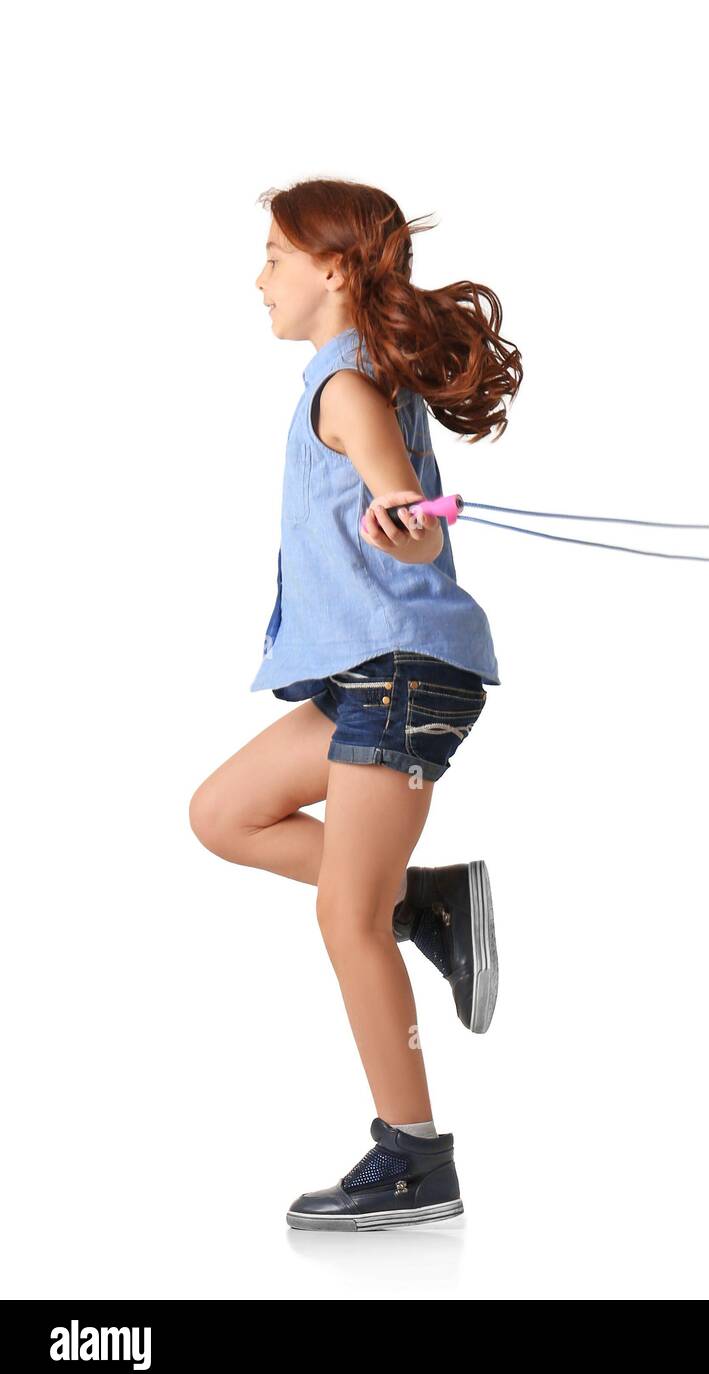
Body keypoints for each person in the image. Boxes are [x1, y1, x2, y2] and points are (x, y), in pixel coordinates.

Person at [189, 177, 522, 1231]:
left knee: (345, 916)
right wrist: (406, 522)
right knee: (224, 814)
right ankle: (422, 901)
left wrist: (407, 524)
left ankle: (415, 1159)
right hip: (365, 672)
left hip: (402, 670)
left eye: (275, 258)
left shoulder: (346, 392)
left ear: (330, 269)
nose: (260, 280)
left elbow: (405, 513)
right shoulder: (346, 381)